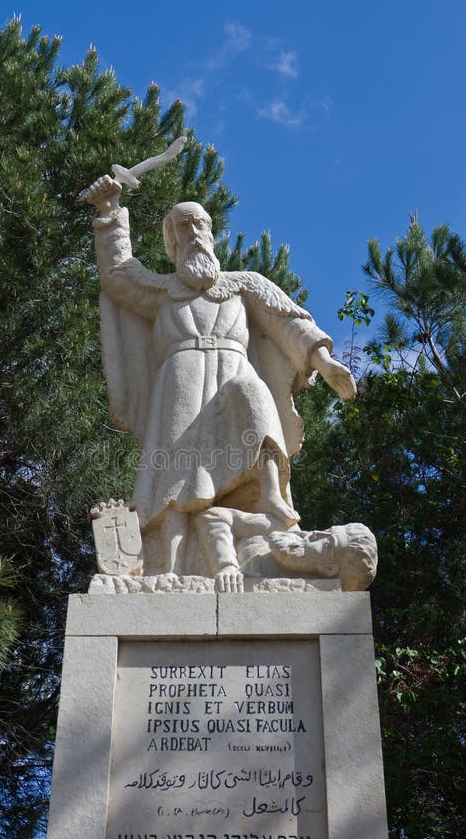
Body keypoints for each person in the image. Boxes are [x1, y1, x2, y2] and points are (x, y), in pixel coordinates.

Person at [89, 176, 356, 575]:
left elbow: (288, 320)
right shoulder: (161, 291)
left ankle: (270, 502)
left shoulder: (243, 284)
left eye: (200, 224)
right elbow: (119, 276)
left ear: (211, 232)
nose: (194, 233)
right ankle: (170, 564)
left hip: (233, 377)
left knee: (254, 394)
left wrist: (322, 360)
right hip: (180, 387)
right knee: (176, 479)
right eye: (183, 226)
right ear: (172, 240)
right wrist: (110, 213)